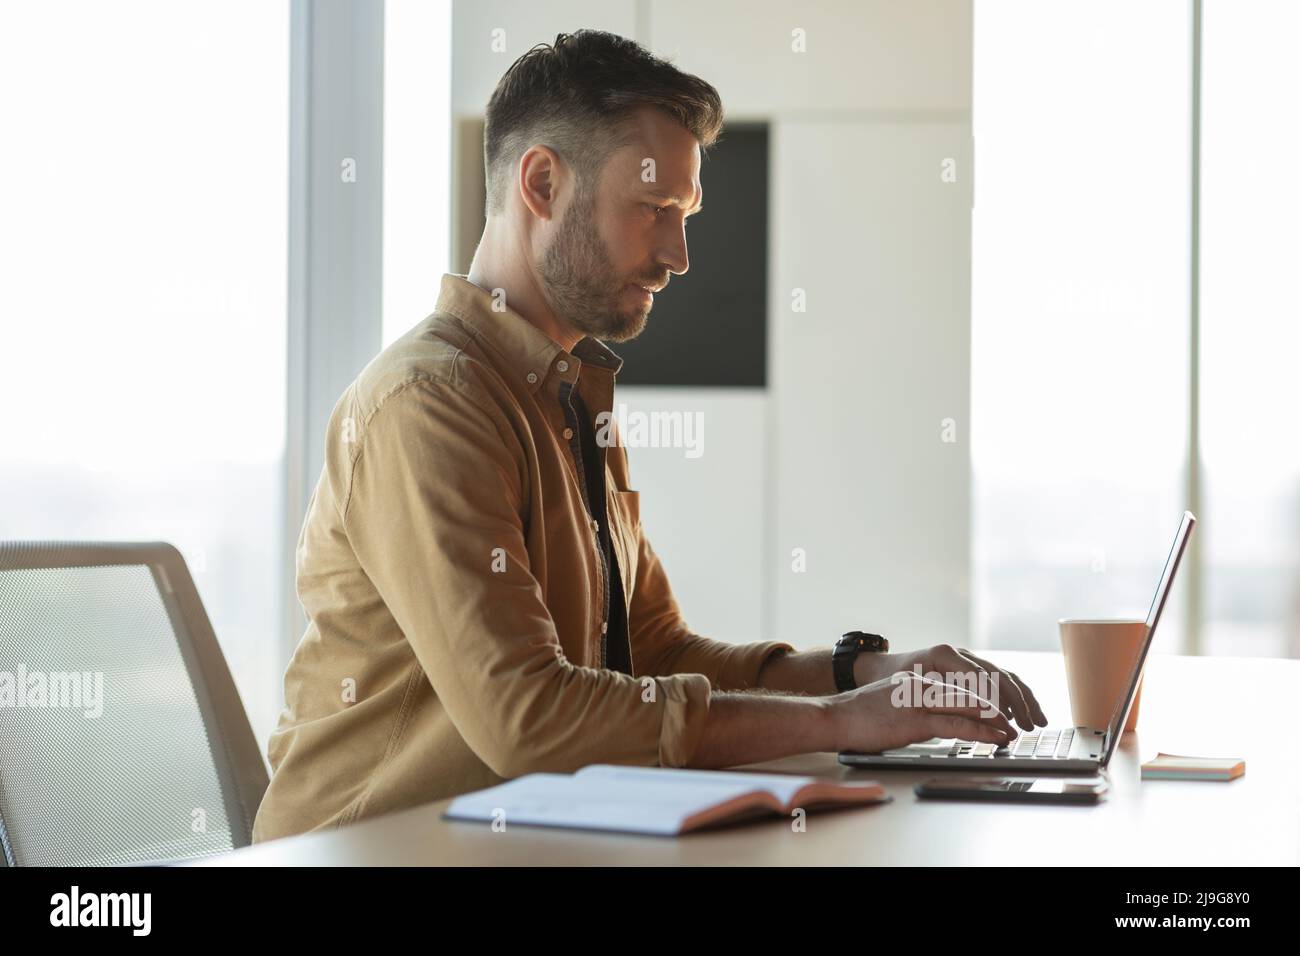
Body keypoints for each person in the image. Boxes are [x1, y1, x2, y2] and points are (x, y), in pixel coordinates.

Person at [252, 29, 1045, 842]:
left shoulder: (567, 393)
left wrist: (870, 674)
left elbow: (654, 653)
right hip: (372, 851)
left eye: (686, 214)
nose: (679, 254)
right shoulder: (429, 403)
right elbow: (528, 717)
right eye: (655, 209)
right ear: (543, 183)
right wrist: (845, 720)